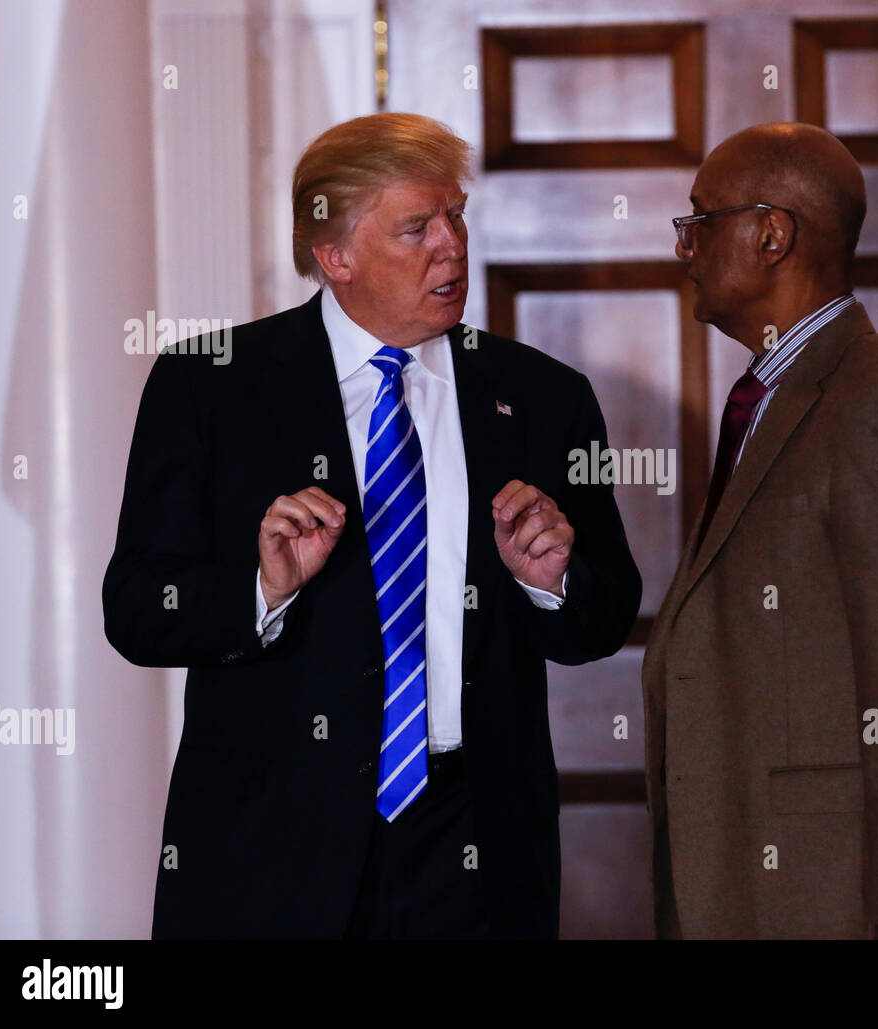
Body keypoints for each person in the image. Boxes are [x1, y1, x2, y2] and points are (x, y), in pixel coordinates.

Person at [103, 112, 641, 939]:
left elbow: (605, 614)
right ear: (335, 255)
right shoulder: (211, 386)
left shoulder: (543, 396)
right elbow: (139, 608)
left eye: (456, 216)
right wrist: (261, 587)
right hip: (270, 844)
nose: (453, 246)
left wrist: (552, 581)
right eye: (418, 227)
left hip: (474, 844)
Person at [642, 122, 878, 939]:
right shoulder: (780, 396)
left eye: (700, 219)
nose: (684, 247)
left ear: (772, 233)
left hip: (836, 905)